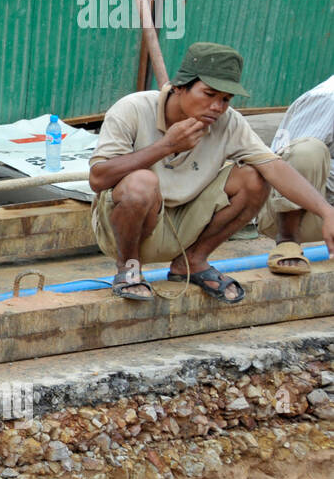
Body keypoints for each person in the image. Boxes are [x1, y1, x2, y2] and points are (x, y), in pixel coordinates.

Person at [89, 43, 334, 302]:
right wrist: (167, 146)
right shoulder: (133, 109)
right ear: (180, 86)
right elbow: (98, 178)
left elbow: (274, 167)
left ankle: (193, 262)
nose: (217, 106)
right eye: (209, 94)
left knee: (254, 177)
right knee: (141, 182)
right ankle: (129, 268)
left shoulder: (228, 122)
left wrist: (327, 212)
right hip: (129, 230)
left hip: (186, 226)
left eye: (226, 99)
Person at [258, 73, 334, 274]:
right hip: (290, 209)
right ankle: (287, 241)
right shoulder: (328, 98)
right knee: (307, 150)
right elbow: (286, 167)